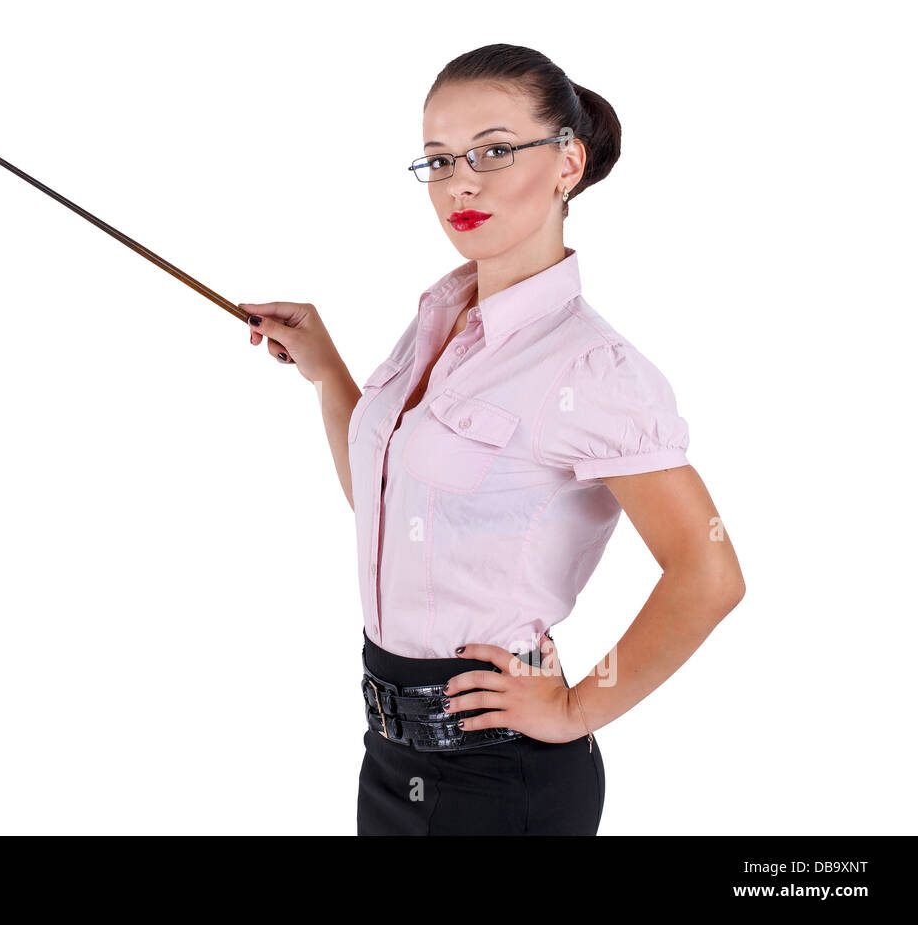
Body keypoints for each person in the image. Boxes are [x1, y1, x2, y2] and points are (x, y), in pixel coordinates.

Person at [238, 44, 745, 835]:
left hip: (499, 773)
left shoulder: (592, 367)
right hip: (389, 756)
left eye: (495, 151)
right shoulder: (437, 325)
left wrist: (581, 703)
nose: (459, 183)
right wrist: (327, 371)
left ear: (567, 163)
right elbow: (386, 504)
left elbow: (709, 573)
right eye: (438, 161)